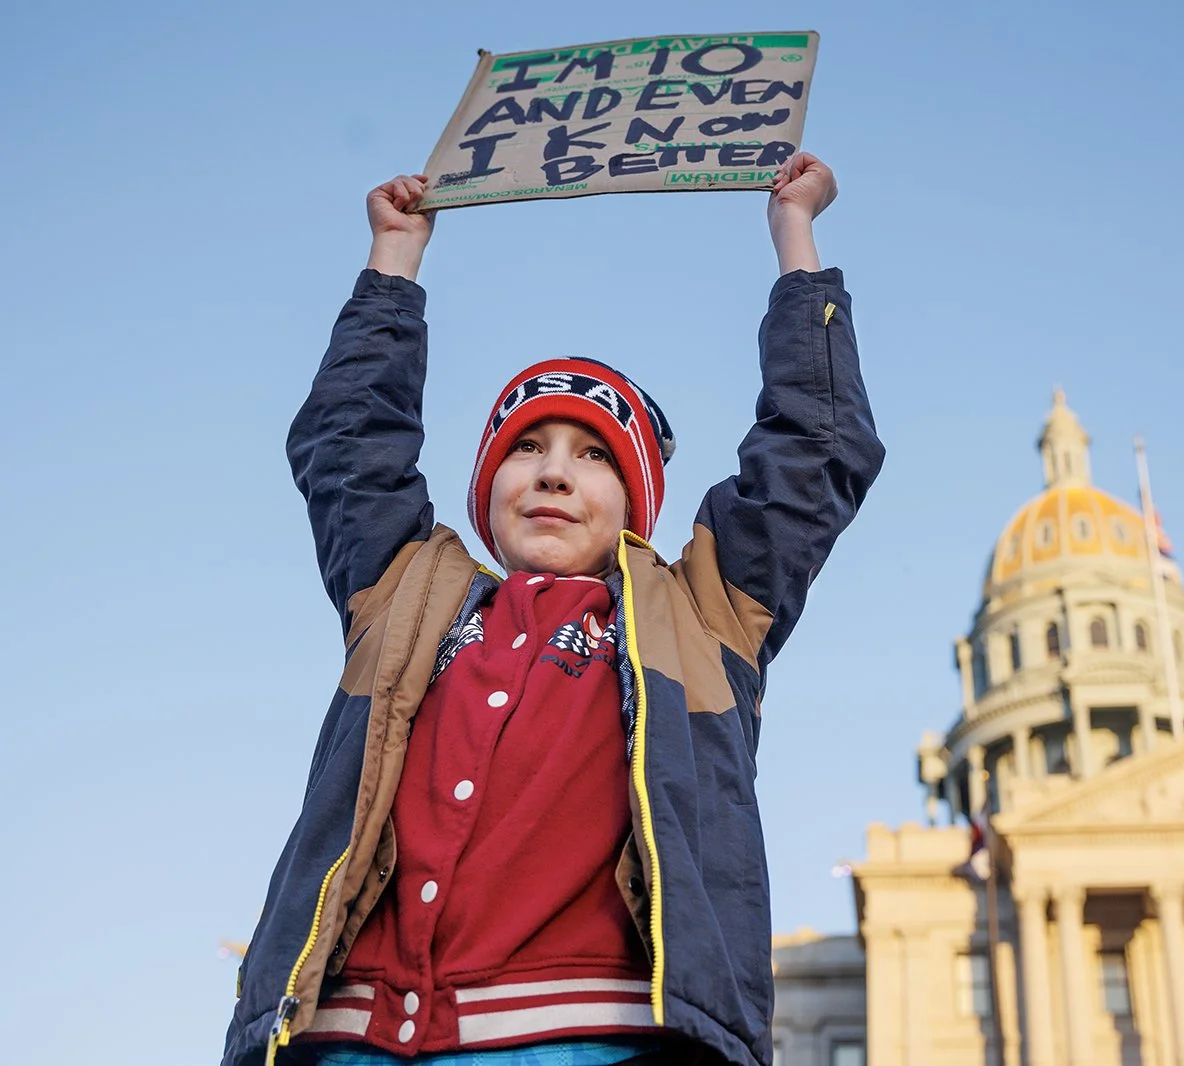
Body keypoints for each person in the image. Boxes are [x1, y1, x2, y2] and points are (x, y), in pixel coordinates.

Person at [223, 153, 884, 1066]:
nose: (554, 471)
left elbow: (814, 453)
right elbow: (349, 445)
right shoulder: (407, 593)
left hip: (588, 1035)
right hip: (354, 1035)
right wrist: (394, 263)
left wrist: (796, 238)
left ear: (636, 502)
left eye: (594, 454)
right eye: (527, 445)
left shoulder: (700, 615)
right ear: (489, 488)